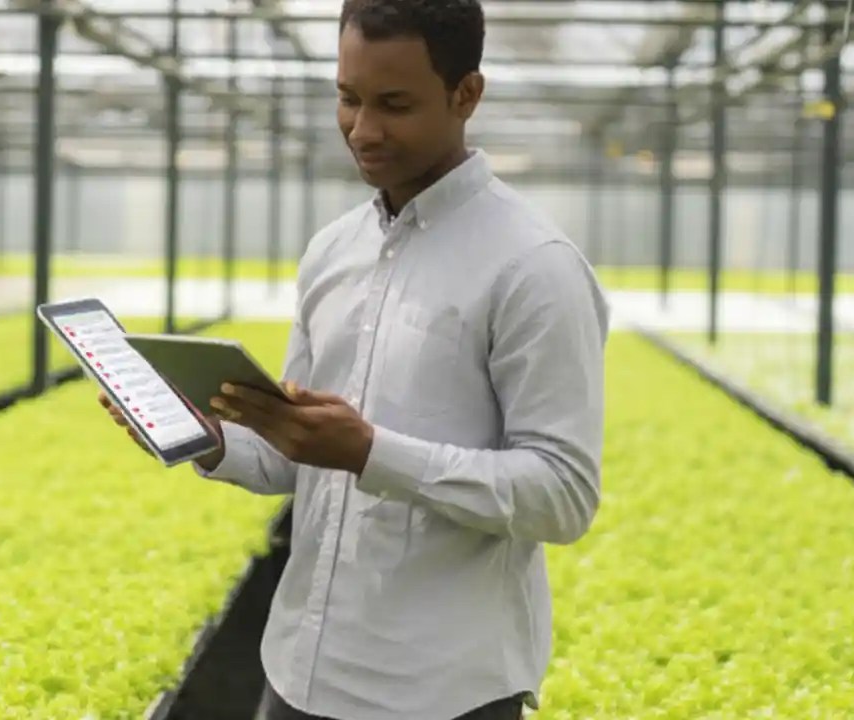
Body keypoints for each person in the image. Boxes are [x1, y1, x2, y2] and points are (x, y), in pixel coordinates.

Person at [100, 1, 610, 718]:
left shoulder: (534, 268)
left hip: (442, 692)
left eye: (394, 105)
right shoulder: (333, 252)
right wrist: (213, 439)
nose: (363, 131)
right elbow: (291, 461)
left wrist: (372, 451)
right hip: (299, 671)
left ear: (467, 94)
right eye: (348, 98)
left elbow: (562, 494)